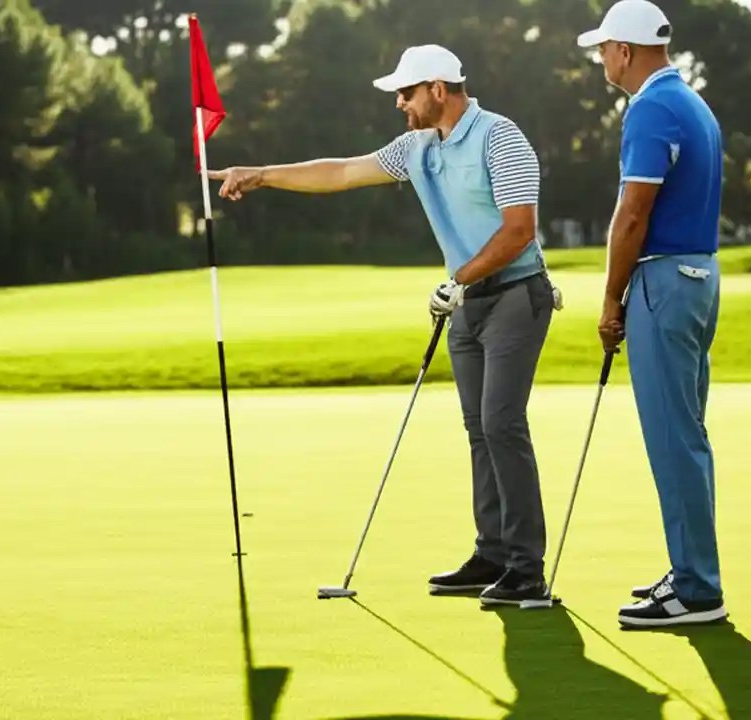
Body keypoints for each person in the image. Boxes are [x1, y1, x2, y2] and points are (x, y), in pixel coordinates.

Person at [209, 44, 561, 609]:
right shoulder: (416, 147)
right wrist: (261, 175)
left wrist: (460, 278)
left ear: (438, 90)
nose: (400, 103)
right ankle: (492, 553)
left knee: (501, 423)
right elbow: (342, 172)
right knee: (479, 428)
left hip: (517, 294)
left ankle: (526, 569)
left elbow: (519, 230)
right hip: (467, 301)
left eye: (407, 92)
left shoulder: (500, 137)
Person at [577, 0, 728, 627]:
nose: (601, 59)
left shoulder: (651, 109)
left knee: (674, 437)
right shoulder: (690, 101)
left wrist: (610, 301)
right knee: (686, 434)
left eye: (604, 48)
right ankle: (691, 570)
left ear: (625, 51)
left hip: (663, 281)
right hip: (697, 277)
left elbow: (631, 215)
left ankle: (697, 590)